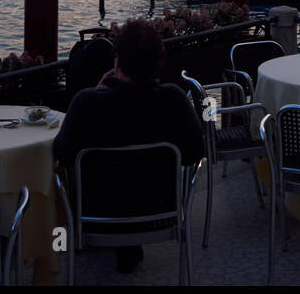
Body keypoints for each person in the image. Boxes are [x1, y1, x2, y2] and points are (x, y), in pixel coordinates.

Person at [52, 22, 203, 274]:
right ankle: (130, 244)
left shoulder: (87, 102)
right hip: (159, 211)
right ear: (160, 61)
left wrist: (99, 91)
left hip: (95, 216)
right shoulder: (174, 100)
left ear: (117, 60)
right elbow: (195, 152)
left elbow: (62, 153)